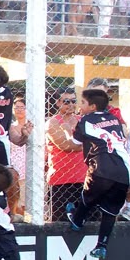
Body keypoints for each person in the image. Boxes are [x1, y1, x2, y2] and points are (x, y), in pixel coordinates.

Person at [66, 88, 130, 259]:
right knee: (110, 211)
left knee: (88, 196)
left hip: (101, 168)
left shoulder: (86, 120)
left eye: (83, 103)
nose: (80, 106)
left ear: (92, 106)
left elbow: (75, 142)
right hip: (124, 171)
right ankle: (101, 246)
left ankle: (77, 221)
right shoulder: (114, 119)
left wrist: (69, 132)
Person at [45, 87, 85, 222]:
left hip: (84, 179)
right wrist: (88, 143)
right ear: (57, 103)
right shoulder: (53, 122)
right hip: (61, 180)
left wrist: (74, 139)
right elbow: (66, 146)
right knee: (59, 224)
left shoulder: (82, 120)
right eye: (66, 101)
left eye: (74, 101)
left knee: (89, 221)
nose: (71, 105)